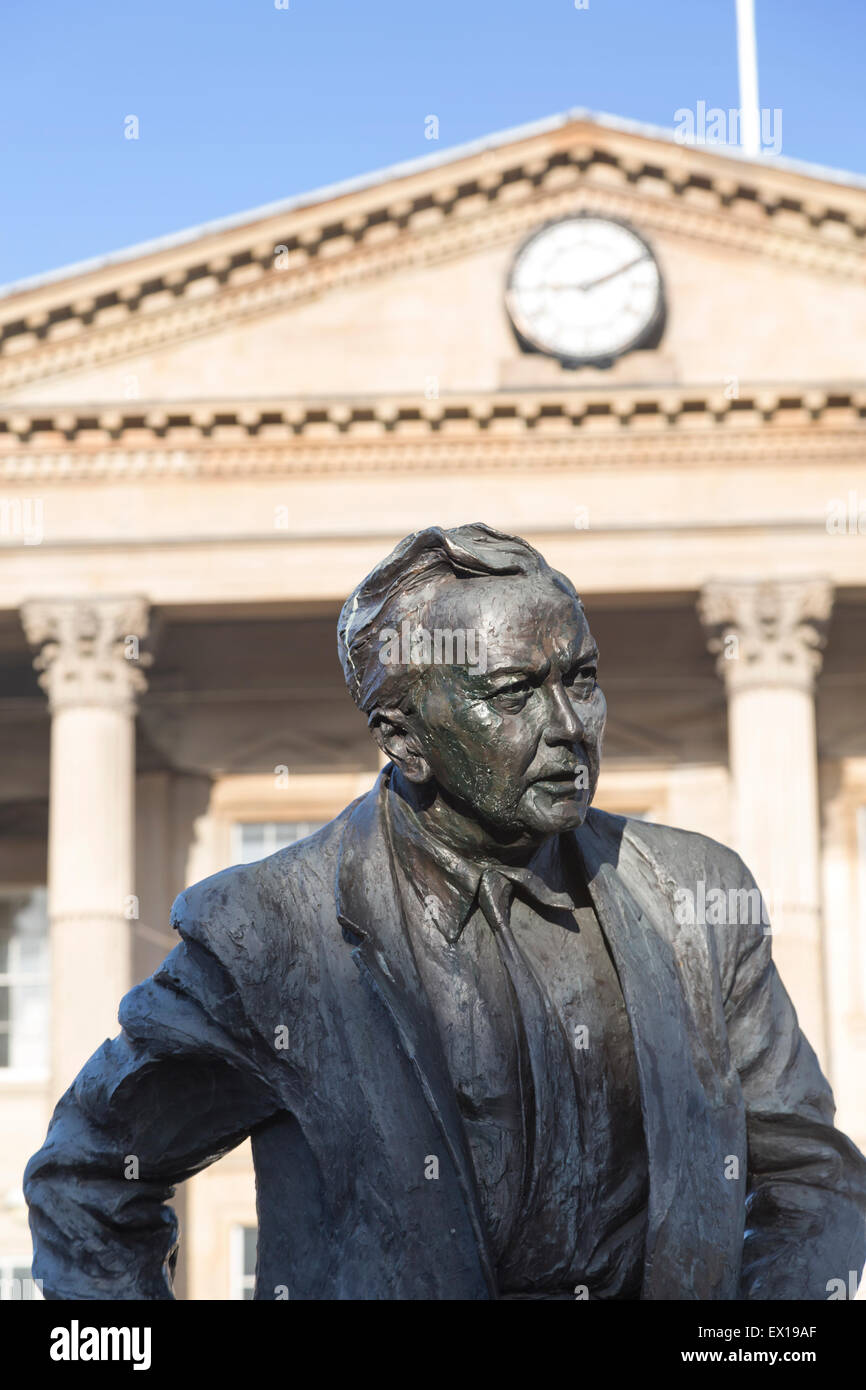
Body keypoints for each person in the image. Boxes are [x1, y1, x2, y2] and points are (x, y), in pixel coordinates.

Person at [25, 523, 866, 1300]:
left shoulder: (695, 897)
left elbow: (811, 1181)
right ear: (405, 738)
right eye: (514, 694)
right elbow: (91, 1180)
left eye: (581, 680)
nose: (570, 726)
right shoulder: (269, 932)